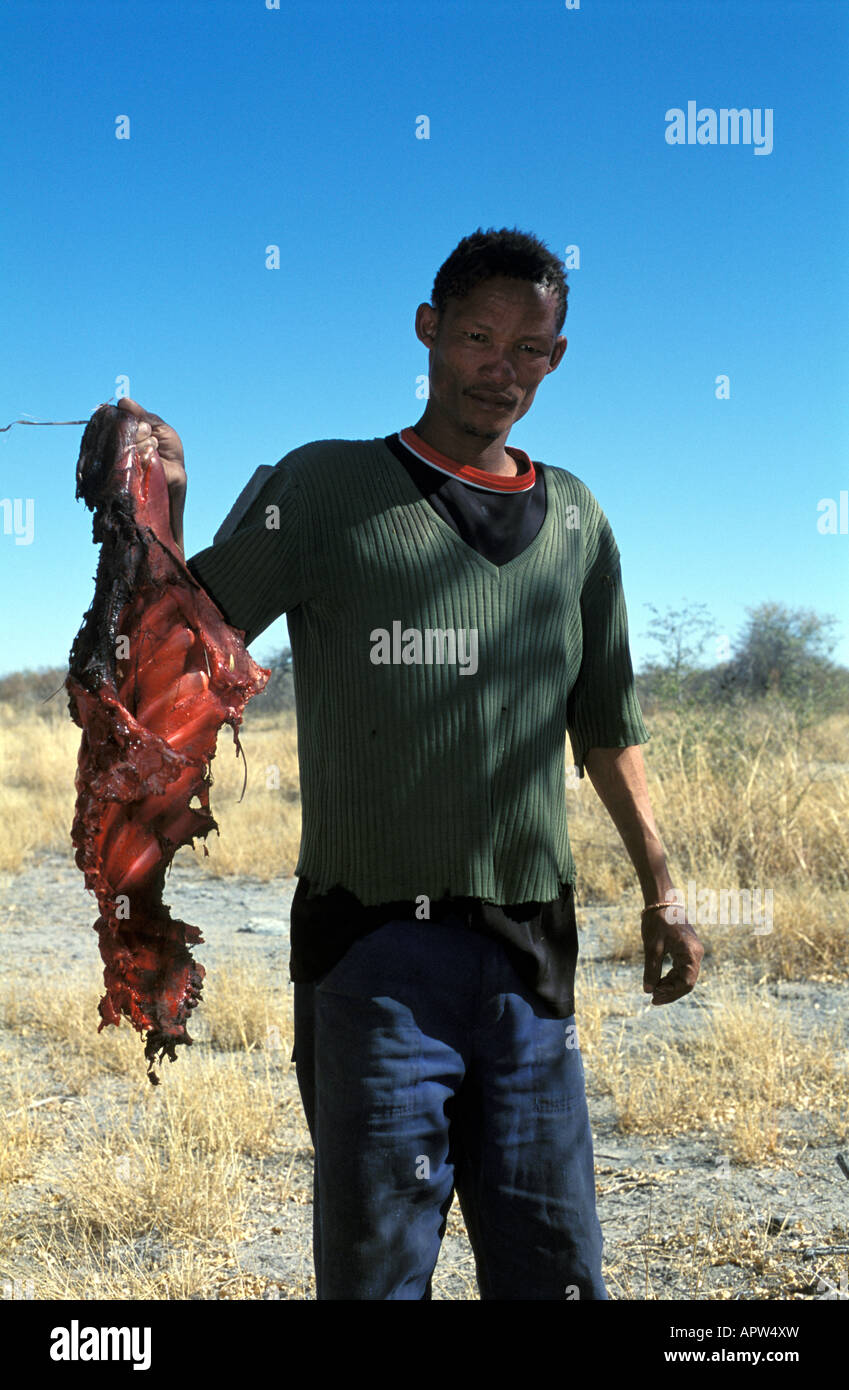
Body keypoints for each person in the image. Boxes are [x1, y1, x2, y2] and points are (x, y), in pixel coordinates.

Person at [119, 226, 703, 1301]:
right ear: (428, 331)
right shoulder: (327, 488)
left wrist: (665, 887)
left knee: (558, 1268)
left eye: (531, 348)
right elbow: (171, 647)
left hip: (532, 959)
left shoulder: (576, 518)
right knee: (379, 1275)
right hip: (375, 956)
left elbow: (608, 725)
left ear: (558, 359)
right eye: (479, 337)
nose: (502, 369)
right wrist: (154, 507)